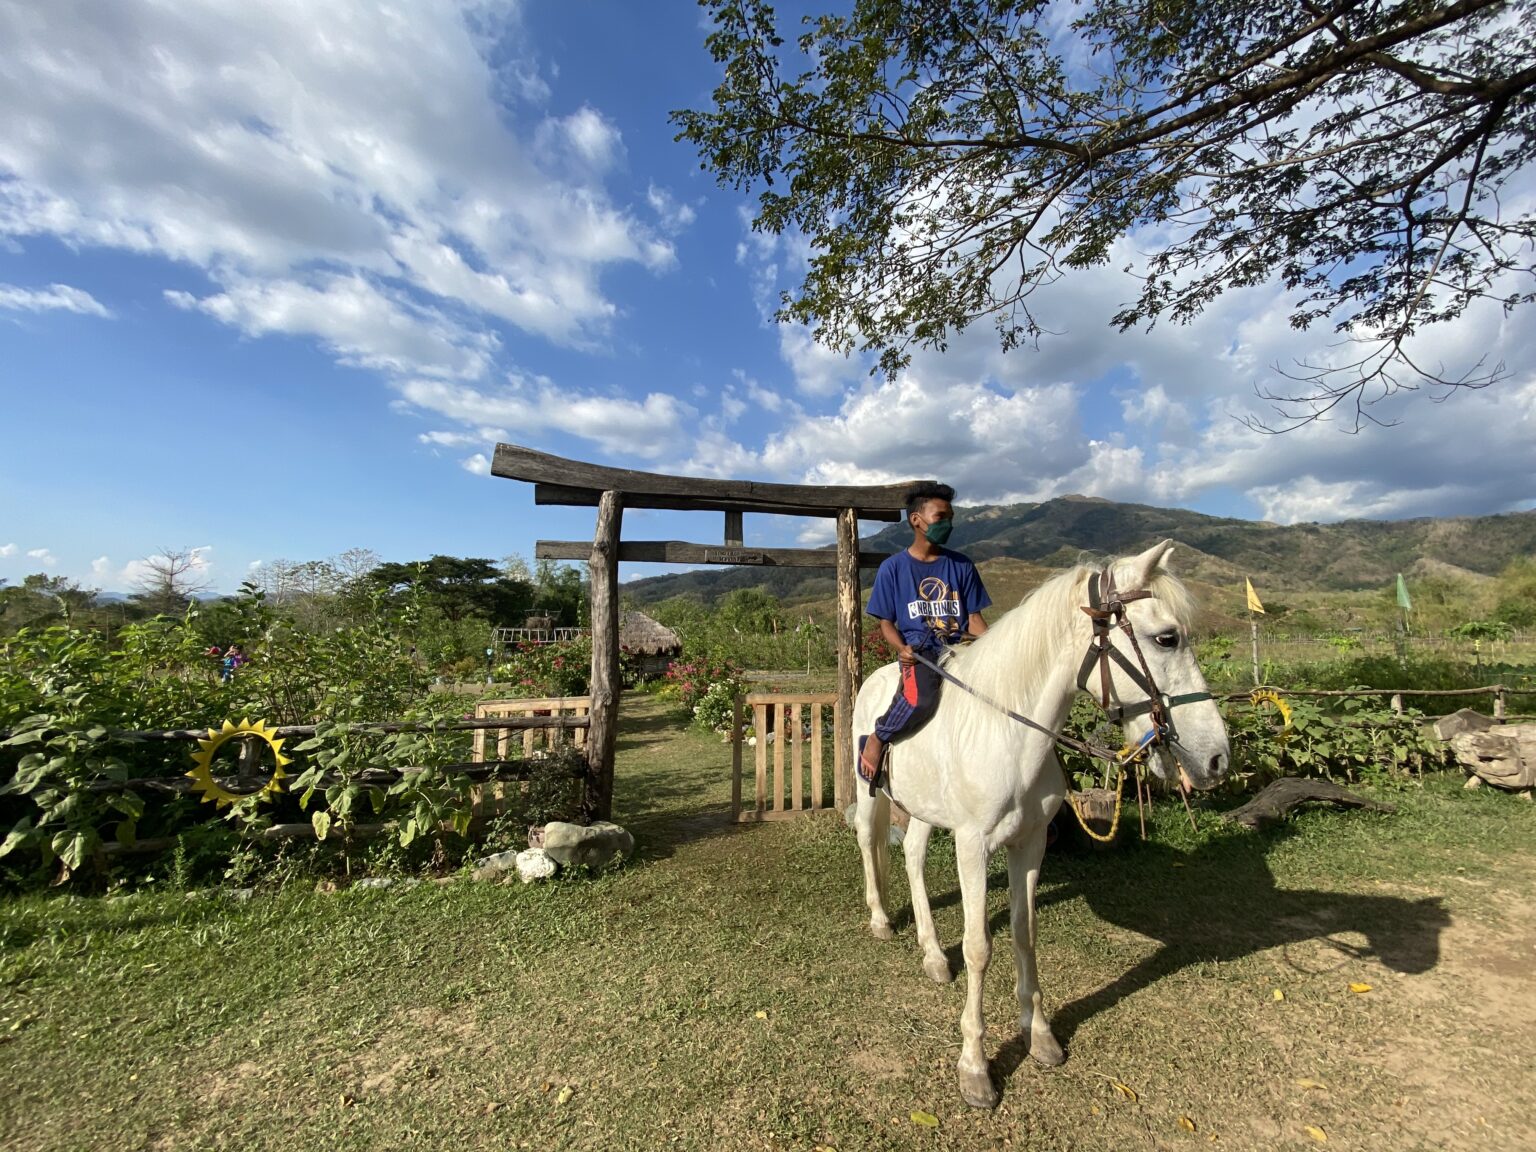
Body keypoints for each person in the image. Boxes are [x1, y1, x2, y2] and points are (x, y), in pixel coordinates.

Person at [859, 482, 991, 787]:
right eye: (941, 517)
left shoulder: (962, 565)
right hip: (921, 652)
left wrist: (998, 647)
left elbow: (973, 620)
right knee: (920, 700)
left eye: (951, 518)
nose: (948, 524)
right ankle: (879, 737)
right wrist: (901, 648)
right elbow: (886, 623)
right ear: (916, 520)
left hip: (961, 649)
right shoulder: (893, 568)